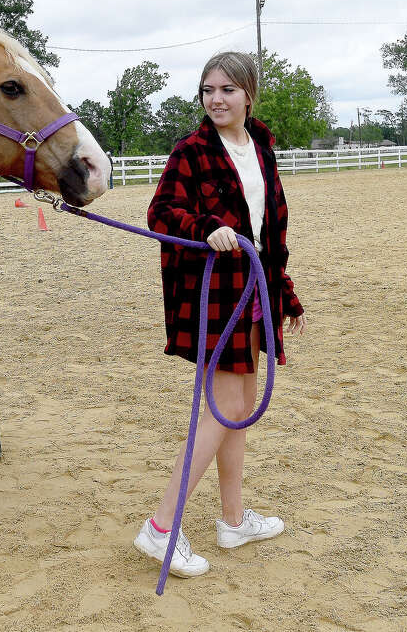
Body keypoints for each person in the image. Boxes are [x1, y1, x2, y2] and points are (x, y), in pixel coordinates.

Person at [135, 51, 307, 577]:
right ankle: (162, 526)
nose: (216, 99)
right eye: (208, 89)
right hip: (215, 295)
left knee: (241, 401)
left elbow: (269, 228)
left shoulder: (262, 147)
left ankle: (232, 519)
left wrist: (286, 291)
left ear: (249, 93)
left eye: (228, 89)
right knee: (225, 406)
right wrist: (205, 225)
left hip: (255, 288)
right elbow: (162, 211)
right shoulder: (190, 151)